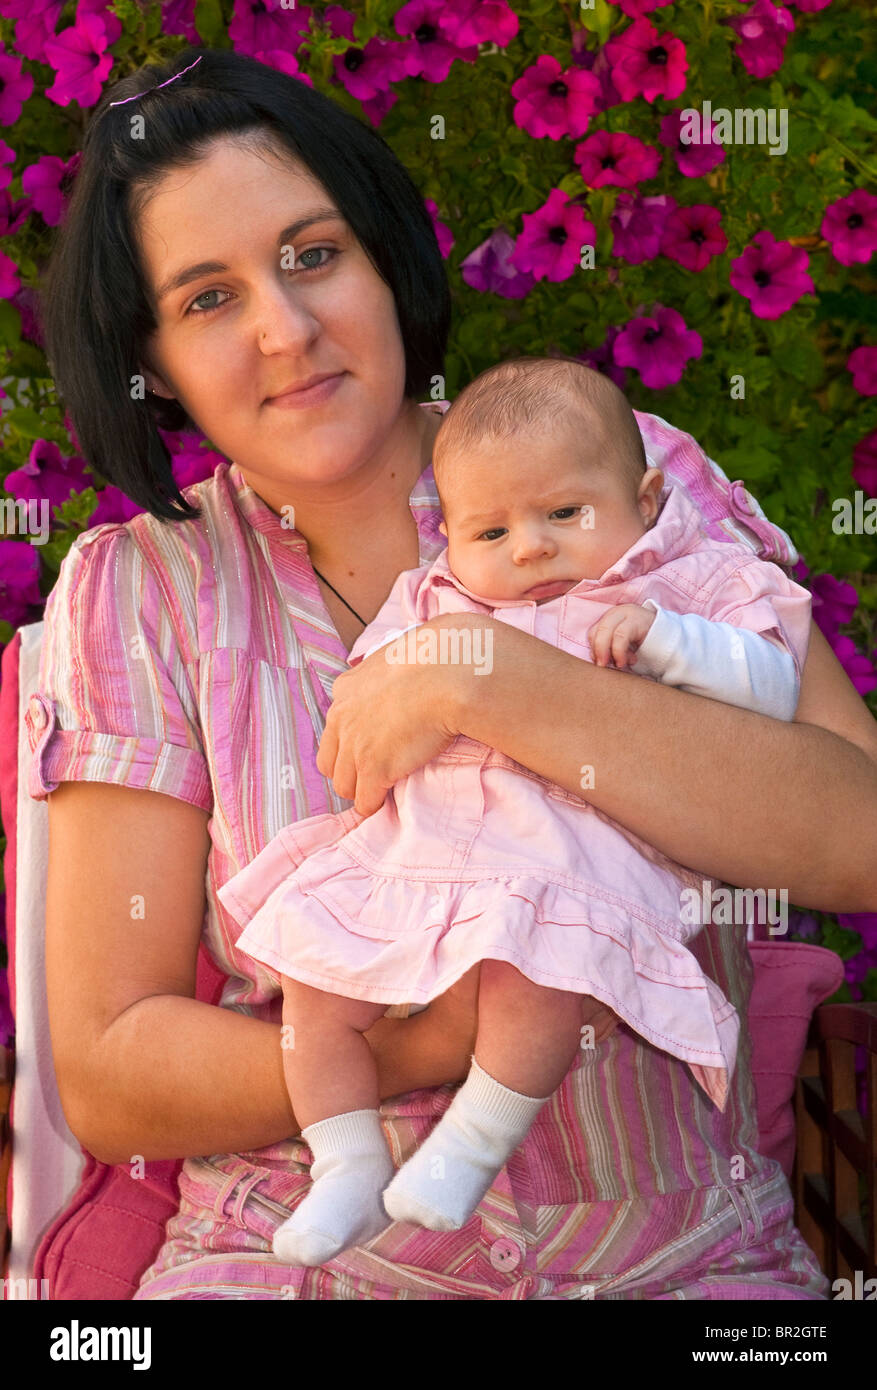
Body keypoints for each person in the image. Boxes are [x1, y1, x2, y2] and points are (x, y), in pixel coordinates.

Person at [26, 46, 877, 1300]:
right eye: (208, 299)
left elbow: (857, 838)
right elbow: (108, 1065)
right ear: (147, 356)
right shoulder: (149, 589)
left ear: (385, 259)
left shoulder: (619, 483)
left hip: (676, 1258)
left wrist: (490, 682)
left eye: (314, 256)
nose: (285, 327)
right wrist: (432, 1039)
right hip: (292, 1259)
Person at [220, 356, 812, 1266]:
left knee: (536, 972)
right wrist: (395, 696)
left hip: (573, 848)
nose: (529, 549)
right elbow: (370, 698)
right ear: (447, 536)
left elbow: (774, 692)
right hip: (424, 846)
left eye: (563, 515)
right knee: (314, 988)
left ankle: (471, 1143)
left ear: (647, 500)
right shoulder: (436, 598)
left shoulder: (687, 587)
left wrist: (673, 642)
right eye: (489, 530)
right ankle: (343, 1161)